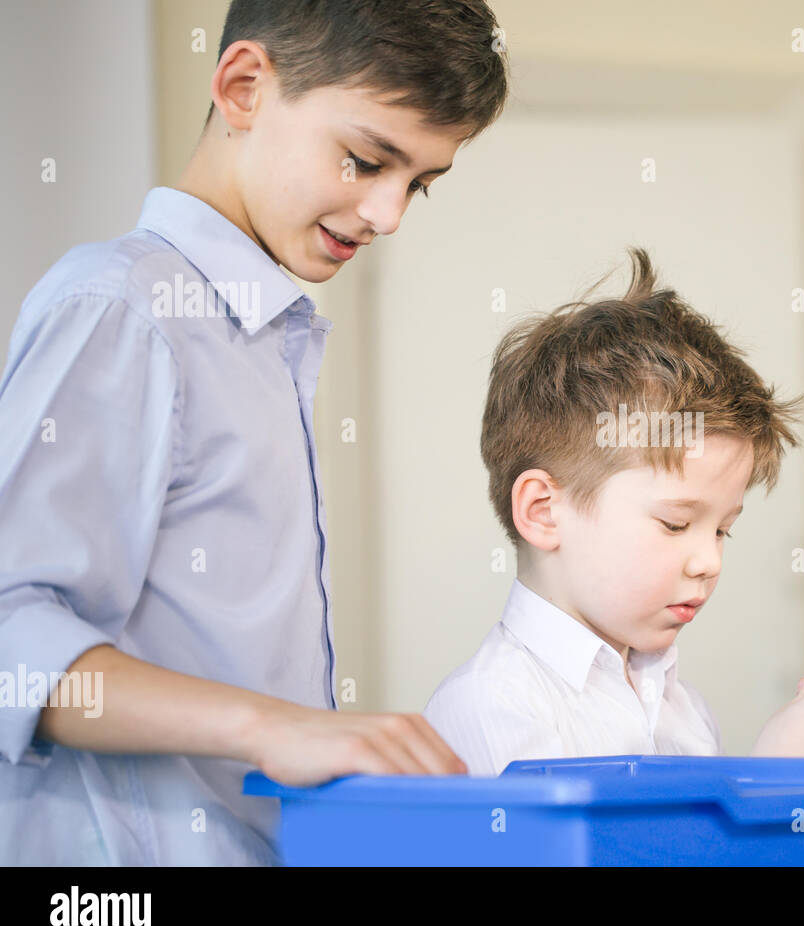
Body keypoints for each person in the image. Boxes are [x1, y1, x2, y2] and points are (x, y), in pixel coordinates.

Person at [0, 0, 509, 865]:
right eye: (365, 160)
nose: (389, 214)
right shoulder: (122, 305)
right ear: (242, 87)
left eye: (418, 182)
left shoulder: (266, 336)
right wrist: (273, 729)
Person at [424, 248, 804, 774]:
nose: (709, 562)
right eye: (676, 524)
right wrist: (777, 775)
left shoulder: (685, 713)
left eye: (722, 531)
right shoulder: (491, 711)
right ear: (543, 511)